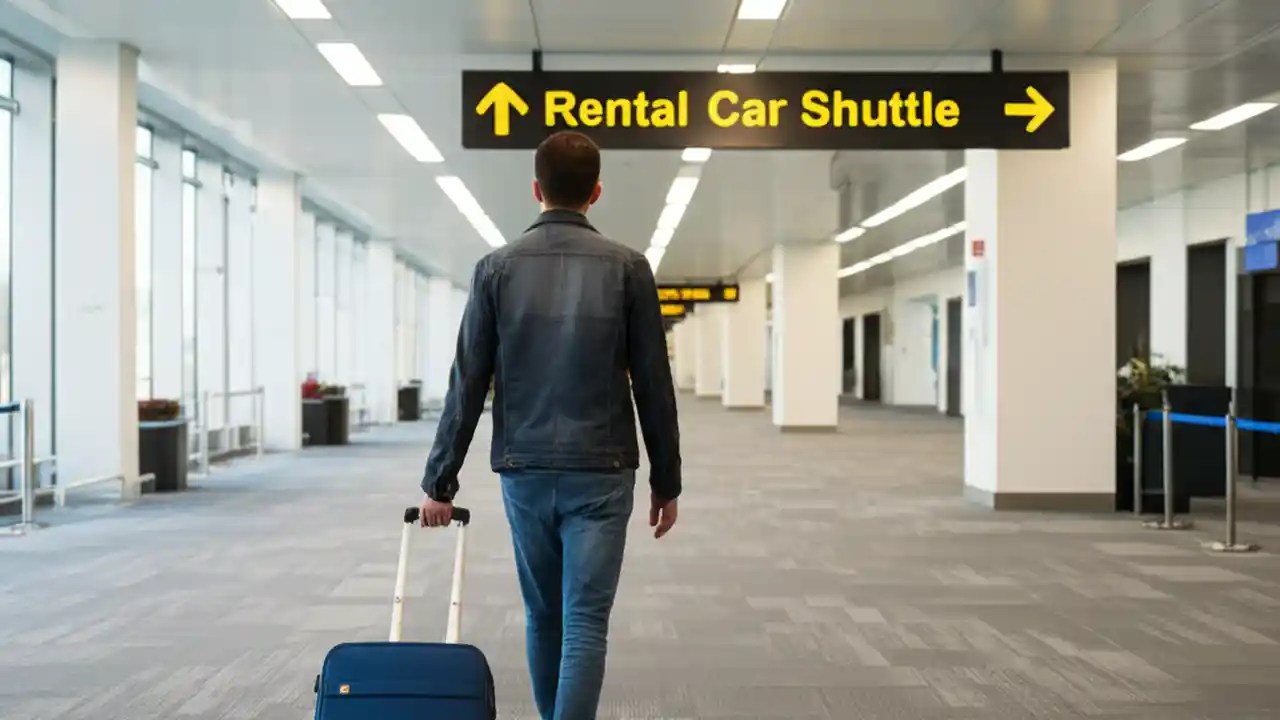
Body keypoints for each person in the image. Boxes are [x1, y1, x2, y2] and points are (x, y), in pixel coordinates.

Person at [418, 130, 682, 720]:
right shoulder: (630, 268)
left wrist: (440, 481)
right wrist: (668, 480)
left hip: (526, 469)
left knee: (543, 615)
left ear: (536, 190)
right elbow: (654, 385)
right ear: (596, 193)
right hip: (604, 470)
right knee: (585, 621)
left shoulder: (495, 269)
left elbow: (467, 382)